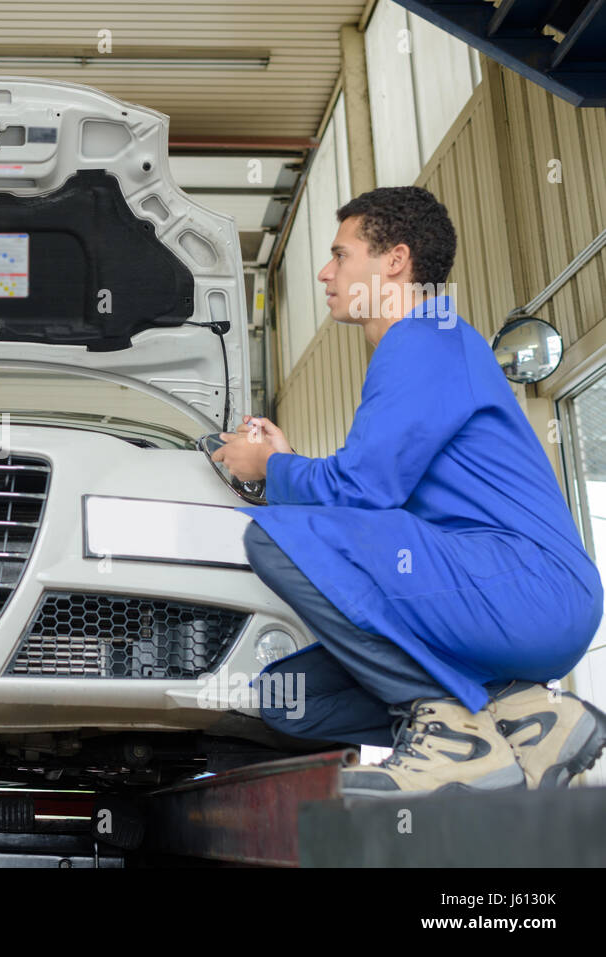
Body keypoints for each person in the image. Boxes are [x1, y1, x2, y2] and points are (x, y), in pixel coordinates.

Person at [212, 186, 606, 798]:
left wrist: (272, 467)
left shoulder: (426, 336)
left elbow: (365, 490)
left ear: (393, 261)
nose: (325, 272)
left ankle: (453, 737)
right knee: (289, 702)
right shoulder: (426, 347)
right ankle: (524, 720)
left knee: (272, 538)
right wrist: (281, 462)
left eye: (340, 256)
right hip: (489, 597)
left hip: (527, 588)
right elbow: (371, 490)